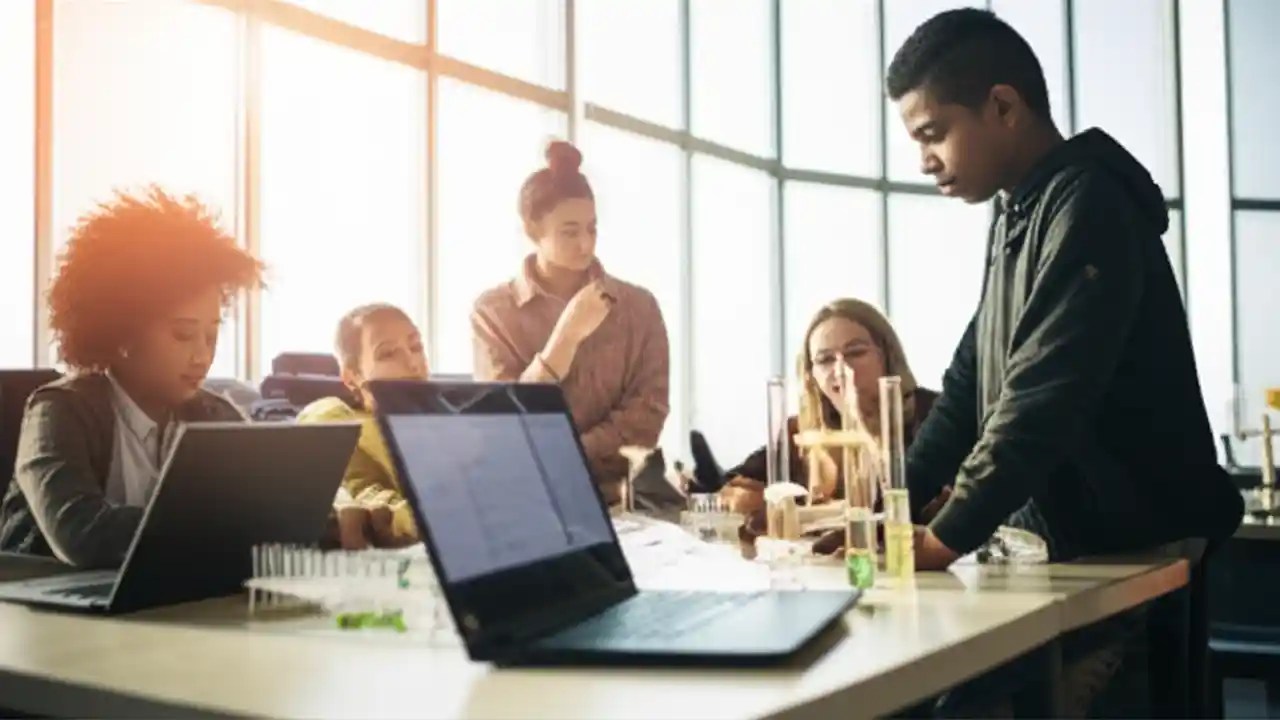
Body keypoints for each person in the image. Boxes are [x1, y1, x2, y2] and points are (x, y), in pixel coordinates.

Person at [884, 9, 1243, 714]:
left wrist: (943, 536)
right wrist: (888, 510)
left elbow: (1040, 395)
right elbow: (969, 385)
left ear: (1003, 106)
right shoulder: (1020, 211)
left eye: (933, 133)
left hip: (1130, 557)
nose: (924, 159)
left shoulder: (1090, 203)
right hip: (1070, 558)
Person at [0, 187, 264, 568]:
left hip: (159, 607)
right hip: (43, 613)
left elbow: (267, 513)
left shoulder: (217, 415)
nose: (202, 354)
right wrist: (227, 527)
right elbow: (83, 534)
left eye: (211, 334)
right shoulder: (59, 411)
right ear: (122, 332)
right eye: (183, 334)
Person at [472, 140, 670, 504]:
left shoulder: (639, 308)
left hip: (624, 500)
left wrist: (569, 452)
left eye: (592, 229)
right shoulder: (493, 313)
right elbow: (506, 428)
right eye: (569, 231)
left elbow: (648, 415)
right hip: (529, 498)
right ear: (532, 231)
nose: (586, 244)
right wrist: (564, 339)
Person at [720, 298, 945, 519]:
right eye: (825, 359)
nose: (842, 369)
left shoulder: (936, 416)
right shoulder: (799, 430)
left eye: (856, 353)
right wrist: (748, 498)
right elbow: (732, 482)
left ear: (887, 356)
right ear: (812, 375)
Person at [297, 303, 427, 549]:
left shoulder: (449, 420)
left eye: (416, 347)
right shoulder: (338, 420)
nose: (413, 364)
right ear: (352, 376)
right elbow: (371, 499)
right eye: (388, 353)